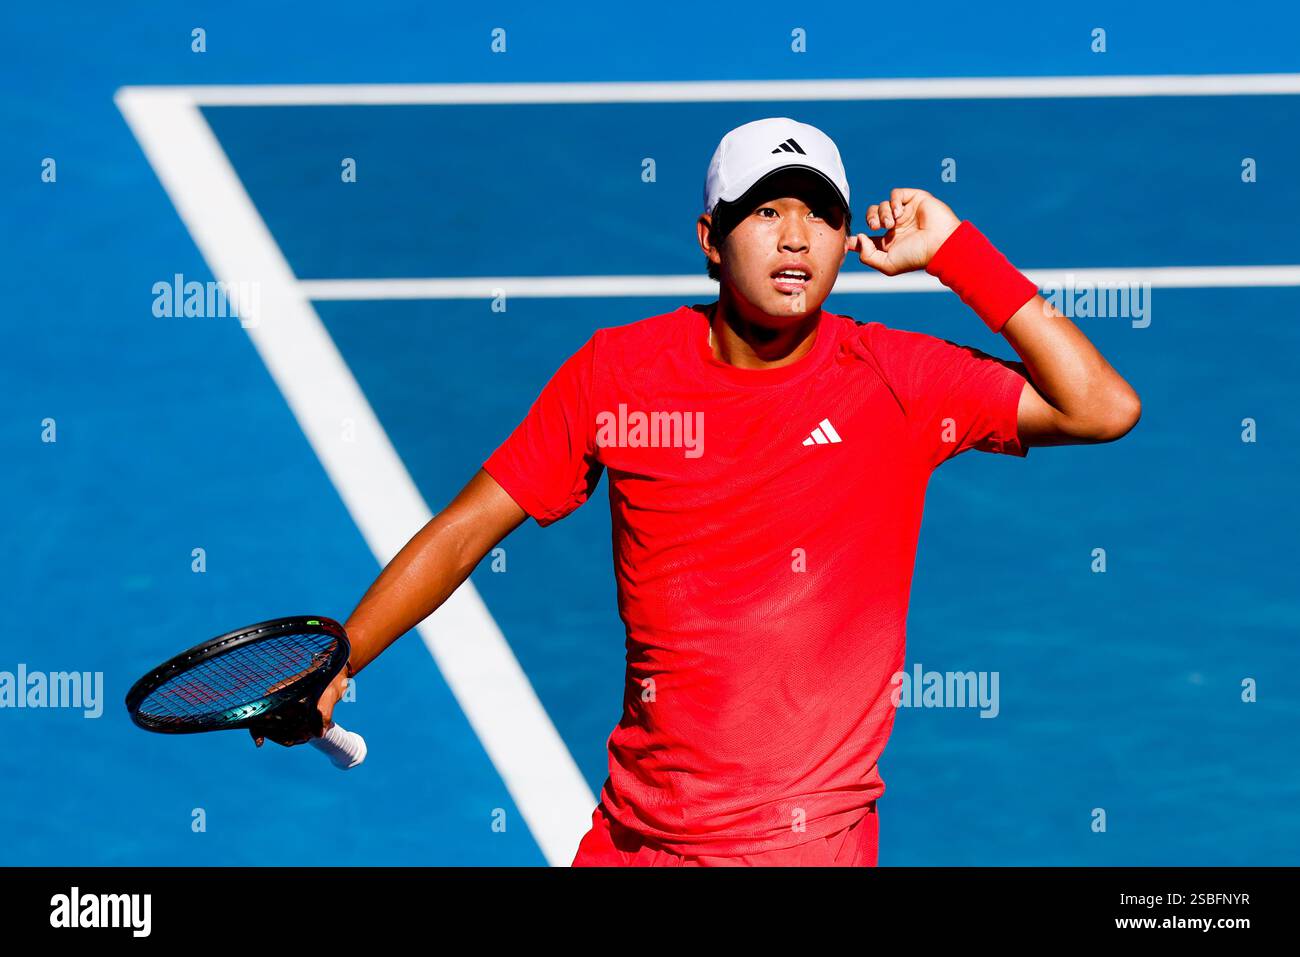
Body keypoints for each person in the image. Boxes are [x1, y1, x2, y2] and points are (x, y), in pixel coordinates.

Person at [252, 117, 1141, 866]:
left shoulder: (896, 379)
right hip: (633, 837)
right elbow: (467, 527)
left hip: (802, 848)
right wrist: (342, 659)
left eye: (821, 215)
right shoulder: (618, 374)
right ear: (712, 237)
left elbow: (1101, 406)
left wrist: (956, 254)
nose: (796, 237)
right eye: (768, 211)